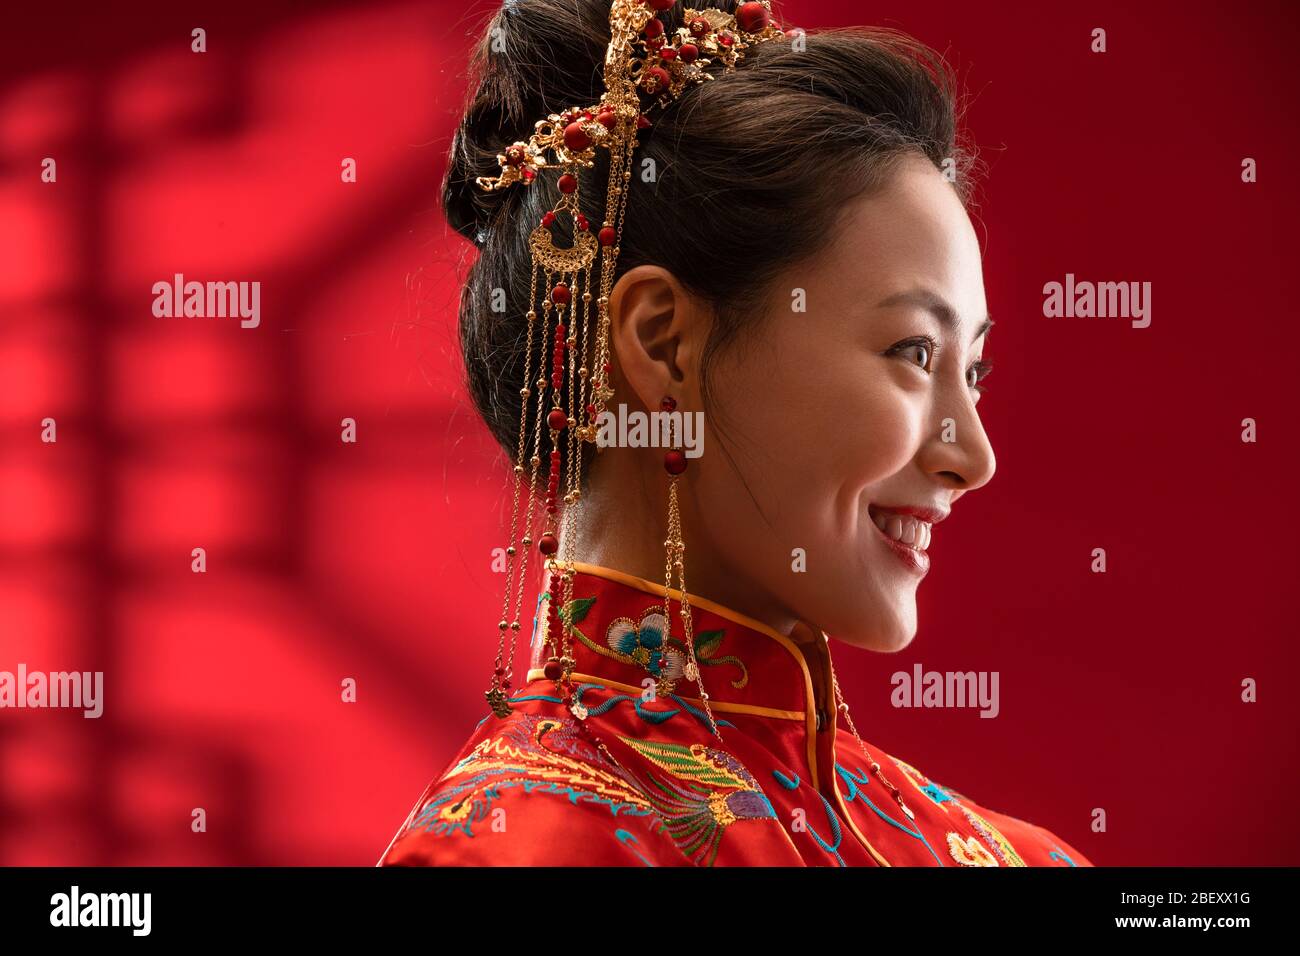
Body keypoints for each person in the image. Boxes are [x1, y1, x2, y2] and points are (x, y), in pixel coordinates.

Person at [379, 0, 1092, 867]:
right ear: (662, 343)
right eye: (913, 351)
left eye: (971, 372)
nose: (973, 458)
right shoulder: (515, 848)